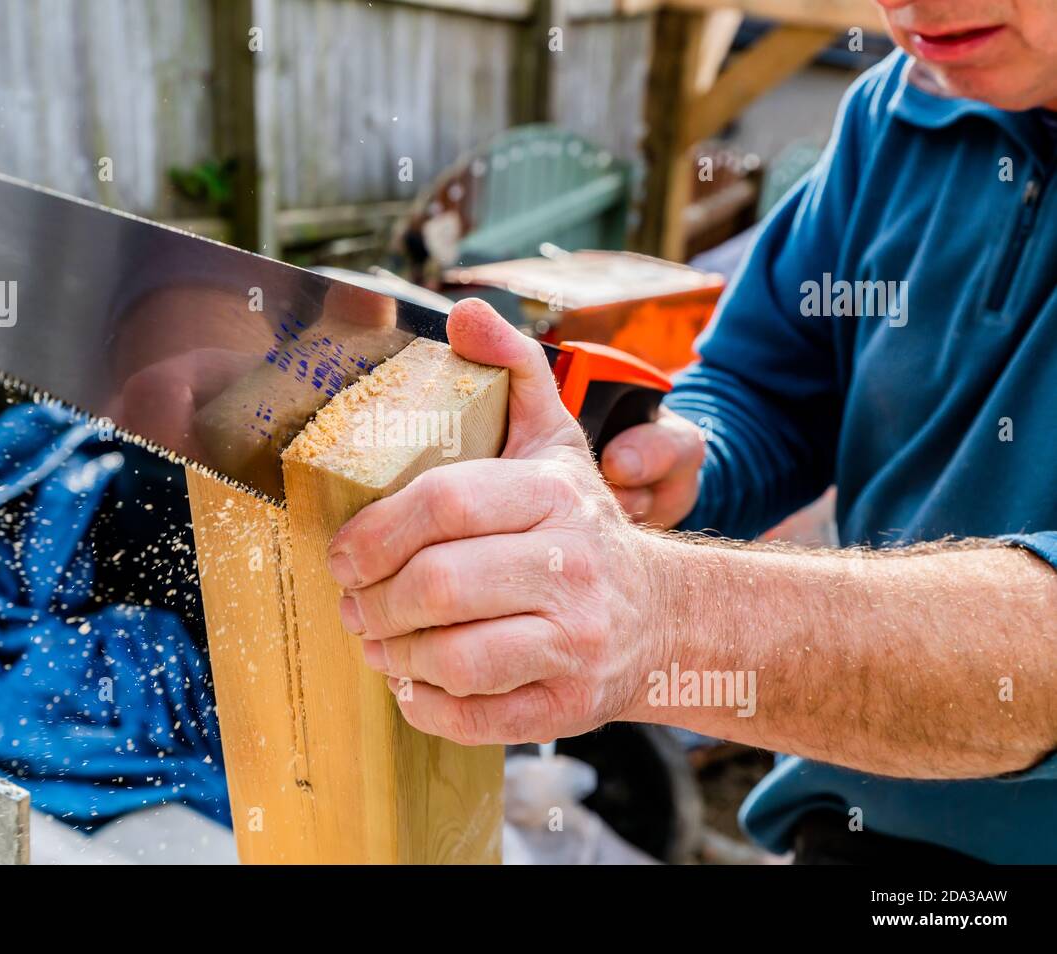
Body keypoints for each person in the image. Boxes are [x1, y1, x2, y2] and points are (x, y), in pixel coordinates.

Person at [326, 0, 1057, 864]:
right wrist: (685, 461)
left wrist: (664, 613)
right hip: (860, 820)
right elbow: (767, 380)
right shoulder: (895, 110)